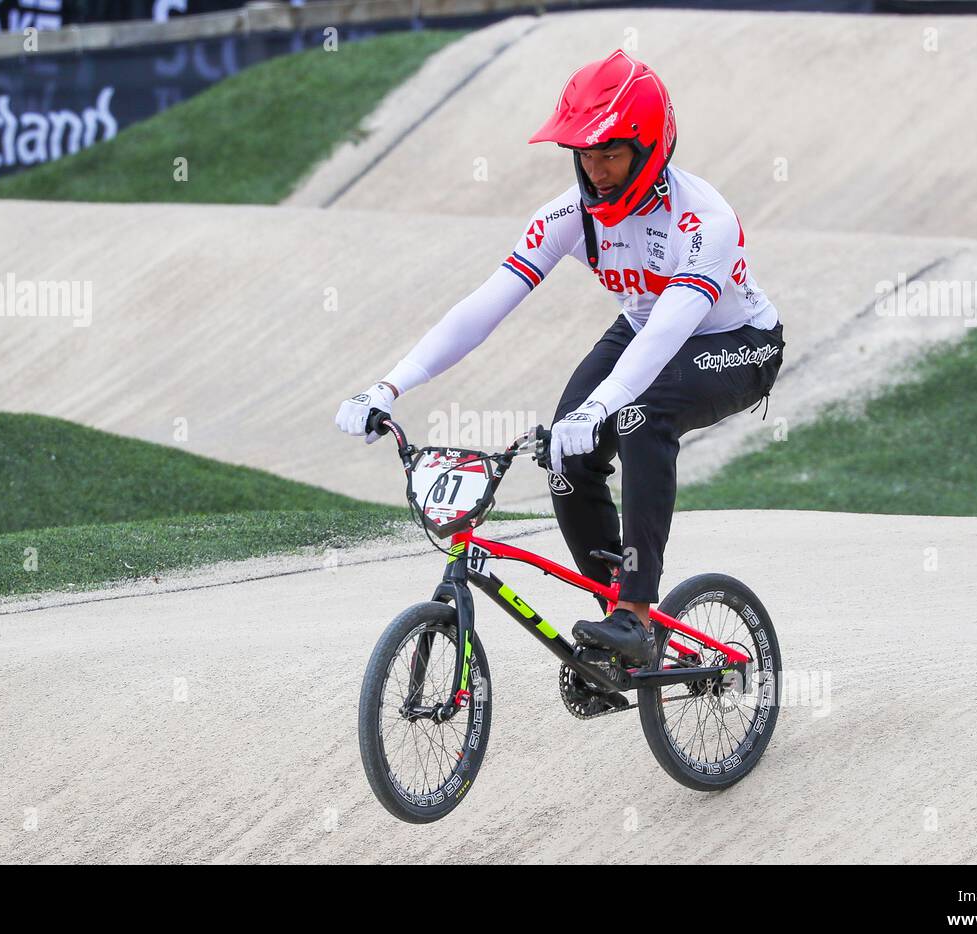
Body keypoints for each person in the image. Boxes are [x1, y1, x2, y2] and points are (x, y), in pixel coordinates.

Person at [335, 49, 785, 669]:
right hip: (645, 328)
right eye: (584, 154)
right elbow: (484, 306)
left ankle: (635, 610)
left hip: (735, 344)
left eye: (610, 153)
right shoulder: (571, 216)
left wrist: (603, 405)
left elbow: (668, 334)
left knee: (638, 419)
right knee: (566, 457)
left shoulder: (703, 220)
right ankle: (619, 636)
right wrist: (388, 387)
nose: (595, 170)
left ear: (649, 147)